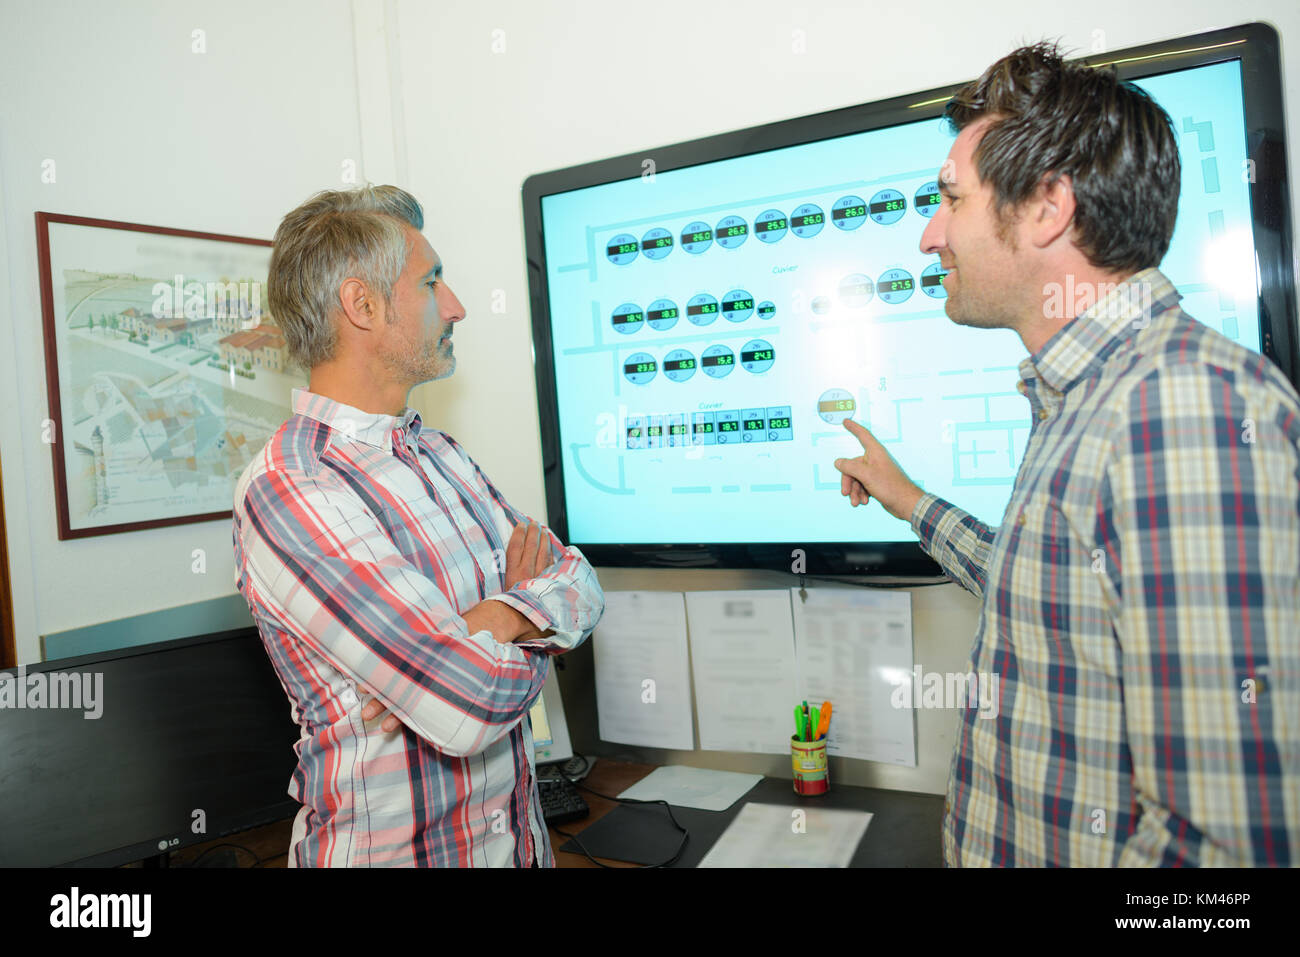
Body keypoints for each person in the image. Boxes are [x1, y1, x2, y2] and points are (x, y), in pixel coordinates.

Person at [834, 43, 1299, 866]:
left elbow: (1226, 851)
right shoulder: (1094, 397)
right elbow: (1048, 597)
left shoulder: (1181, 408)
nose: (929, 236)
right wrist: (909, 500)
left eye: (950, 199)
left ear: (1048, 206)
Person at [232, 185, 604, 867]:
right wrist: (528, 620)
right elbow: (467, 708)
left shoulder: (442, 454)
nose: (457, 305)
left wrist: (491, 621)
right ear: (362, 305)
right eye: (432, 282)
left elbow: (581, 580)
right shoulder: (292, 488)